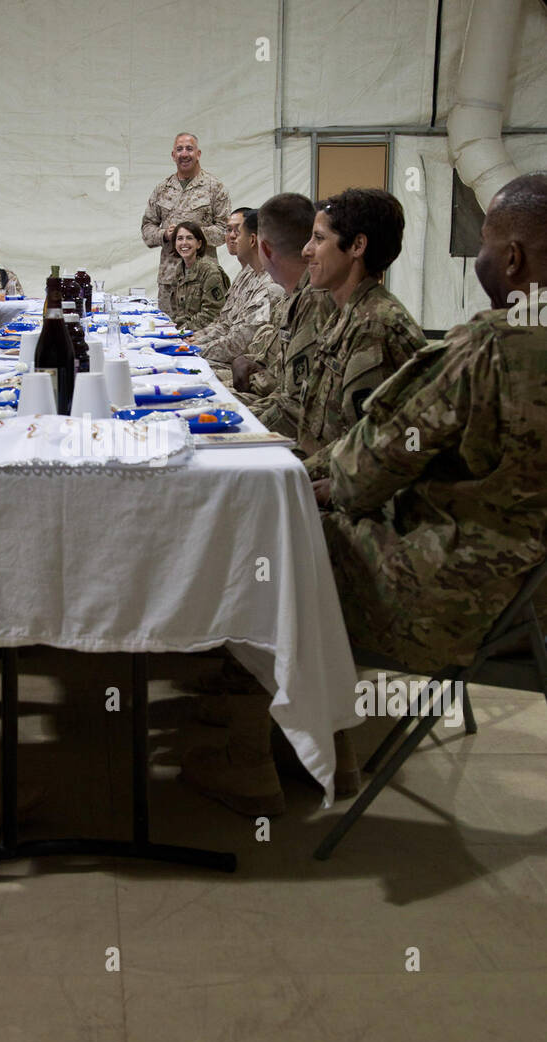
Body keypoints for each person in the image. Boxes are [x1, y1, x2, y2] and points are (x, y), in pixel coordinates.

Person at [319, 171, 547, 674]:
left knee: (289, 536)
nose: (480, 258)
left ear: (512, 258)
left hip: (453, 594)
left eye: (484, 243)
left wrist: (318, 482)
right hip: (528, 595)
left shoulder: (489, 348)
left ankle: (291, 741)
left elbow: (359, 477)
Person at [296, 189, 425, 478]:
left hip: (355, 500)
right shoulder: (345, 314)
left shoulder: (376, 326)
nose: (306, 251)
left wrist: (294, 477)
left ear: (357, 246)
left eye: (318, 239)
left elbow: (374, 443)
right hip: (324, 475)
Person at [227, 195, 335, 416]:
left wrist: (235, 420)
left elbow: (294, 407)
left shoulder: (316, 301)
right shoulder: (294, 295)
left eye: (320, 239)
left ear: (263, 248)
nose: (309, 250)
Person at [141, 132, 230, 316]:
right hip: (169, 279)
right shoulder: (162, 189)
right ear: (173, 155)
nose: (184, 153)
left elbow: (225, 230)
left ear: (198, 154)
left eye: (189, 149)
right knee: (168, 332)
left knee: (202, 332)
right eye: (179, 149)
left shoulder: (215, 187)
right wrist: (165, 234)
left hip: (204, 278)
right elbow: (147, 229)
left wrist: (192, 236)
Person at [191, 207, 284, 368]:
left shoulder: (271, 285)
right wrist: (195, 340)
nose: (231, 237)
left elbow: (241, 343)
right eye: (228, 230)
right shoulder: (247, 273)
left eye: (238, 232)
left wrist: (192, 349)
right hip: (226, 355)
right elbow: (225, 322)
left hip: (241, 365)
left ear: (253, 239)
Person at [169, 221, 229, 330]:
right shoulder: (179, 270)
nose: (184, 243)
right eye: (180, 238)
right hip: (185, 331)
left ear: (199, 244)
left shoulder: (210, 272)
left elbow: (213, 314)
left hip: (204, 335)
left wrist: (182, 330)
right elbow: (177, 312)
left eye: (189, 238)